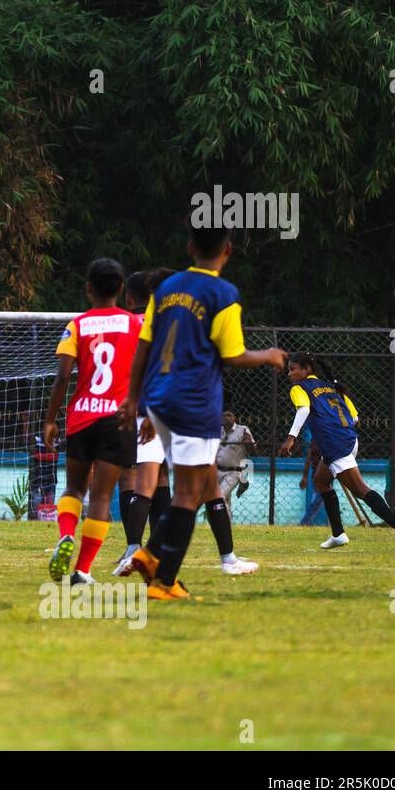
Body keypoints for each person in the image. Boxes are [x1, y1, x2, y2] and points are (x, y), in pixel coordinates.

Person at [120, 228, 288, 600]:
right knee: (187, 496)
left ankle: (152, 558)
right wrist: (269, 355)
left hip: (159, 400)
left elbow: (144, 347)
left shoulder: (164, 289)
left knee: (193, 490)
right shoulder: (222, 294)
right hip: (193, 404)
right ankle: (162, 579)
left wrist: (136, 401)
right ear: (228, 251)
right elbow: (232, 355)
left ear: (190, 247)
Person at [42, 258, 140, 585]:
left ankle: (66, 534)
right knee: (100, 497)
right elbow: (149, 371)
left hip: (82, 415)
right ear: (122, 289)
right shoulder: (134, 325)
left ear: (88, 288)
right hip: (119, 418)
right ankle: (82, 570)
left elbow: (62, 377)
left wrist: (50, 420)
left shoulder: (78, 325)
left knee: (74, 487)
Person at [279, 352, 395, 552]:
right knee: (321, 482)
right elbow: (354, 417)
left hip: (335, 444)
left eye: (292, 369)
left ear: (306, 370)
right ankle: (338, 534)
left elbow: (303, 410)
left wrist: (290, 439)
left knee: (360, 490)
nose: (289, 373)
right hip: (348, 439)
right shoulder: (333, 387)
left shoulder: (299, 387)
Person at [113, 269, 173, 573]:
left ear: (127, 295)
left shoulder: (124, 323)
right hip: (163, 405)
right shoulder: (163, 322)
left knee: (130, 477)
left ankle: (134, 546)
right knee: (160, 477)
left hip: (129, 406)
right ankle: (156, 548)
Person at [216, 409, 257, 518]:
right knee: (225, 499)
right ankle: (227, 525)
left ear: (235, 418)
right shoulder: (218, 430)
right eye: (224, 415)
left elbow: (254, 451)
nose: (226, 418)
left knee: (219, 496)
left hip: (234, 472)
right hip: (217, 471)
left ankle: (223, 523)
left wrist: (248, 443)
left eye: (229, 415)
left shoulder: (243, 430)